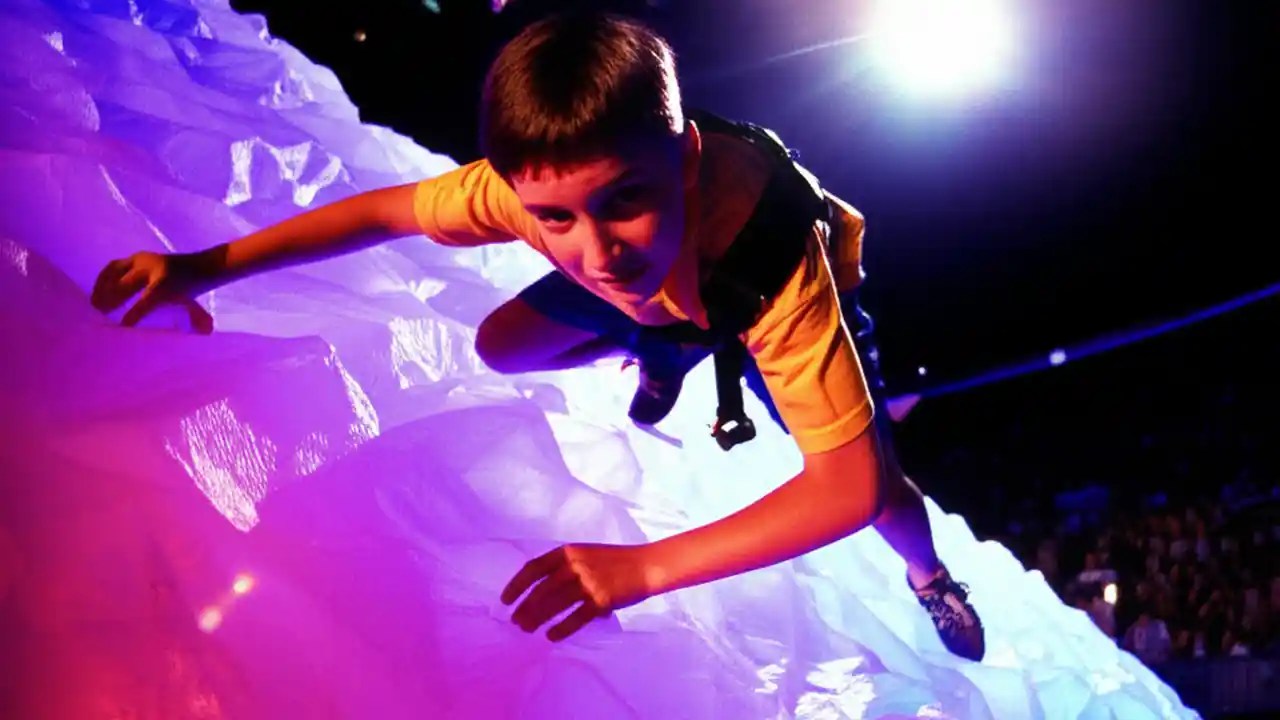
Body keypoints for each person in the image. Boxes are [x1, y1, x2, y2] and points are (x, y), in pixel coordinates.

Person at [90, 12, 984, 660]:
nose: (594, 249)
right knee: (504, 343)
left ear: (687, 162)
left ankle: (932, 579)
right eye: (553, 217)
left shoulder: (775, 253)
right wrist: (202, 266)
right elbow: (384, 212)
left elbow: (845, 488)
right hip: (675, 296)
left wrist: (639, 570)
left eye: (625, 201)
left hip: (745, 293)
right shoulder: (537, 198)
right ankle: (660, 347)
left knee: (885, 489)